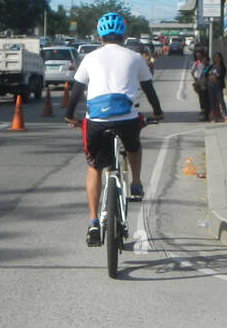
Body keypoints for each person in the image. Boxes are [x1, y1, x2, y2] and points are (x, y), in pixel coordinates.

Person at [64, 12, 163, 247]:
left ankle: (93, 222)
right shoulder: (135, 57)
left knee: (93, 167)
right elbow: (149, 89)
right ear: (123, 35)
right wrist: (157, 113)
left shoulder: (89, 58)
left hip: (96, 121)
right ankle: (136, 184)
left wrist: (69, 115)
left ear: (100, 36)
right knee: (134, 146)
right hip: (126, 119)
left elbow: (77, 91)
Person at [190, 47, 212, 121]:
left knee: (206, 99)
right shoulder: (197, 63)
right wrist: (195, 79)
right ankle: (204, 111)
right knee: (202, 98)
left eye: (199, 56)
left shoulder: (208, 63)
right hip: (200, 83)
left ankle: (207, 113)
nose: (198, 57)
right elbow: (192, 71)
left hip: (207, 83)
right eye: (197, 56)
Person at [208, 52, 227, 123]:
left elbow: (221, 76)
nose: (216, 59)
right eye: (215, 57)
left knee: (221, 101)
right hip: (211, 86)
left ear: (220, 59)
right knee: (212, 102)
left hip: (218, 86)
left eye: (218, 57)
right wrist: (210, 77)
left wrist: (214, 77)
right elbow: (205, 74)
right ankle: (214, 117)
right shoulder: (211, 66)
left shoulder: (222, 67)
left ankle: (225, 115)